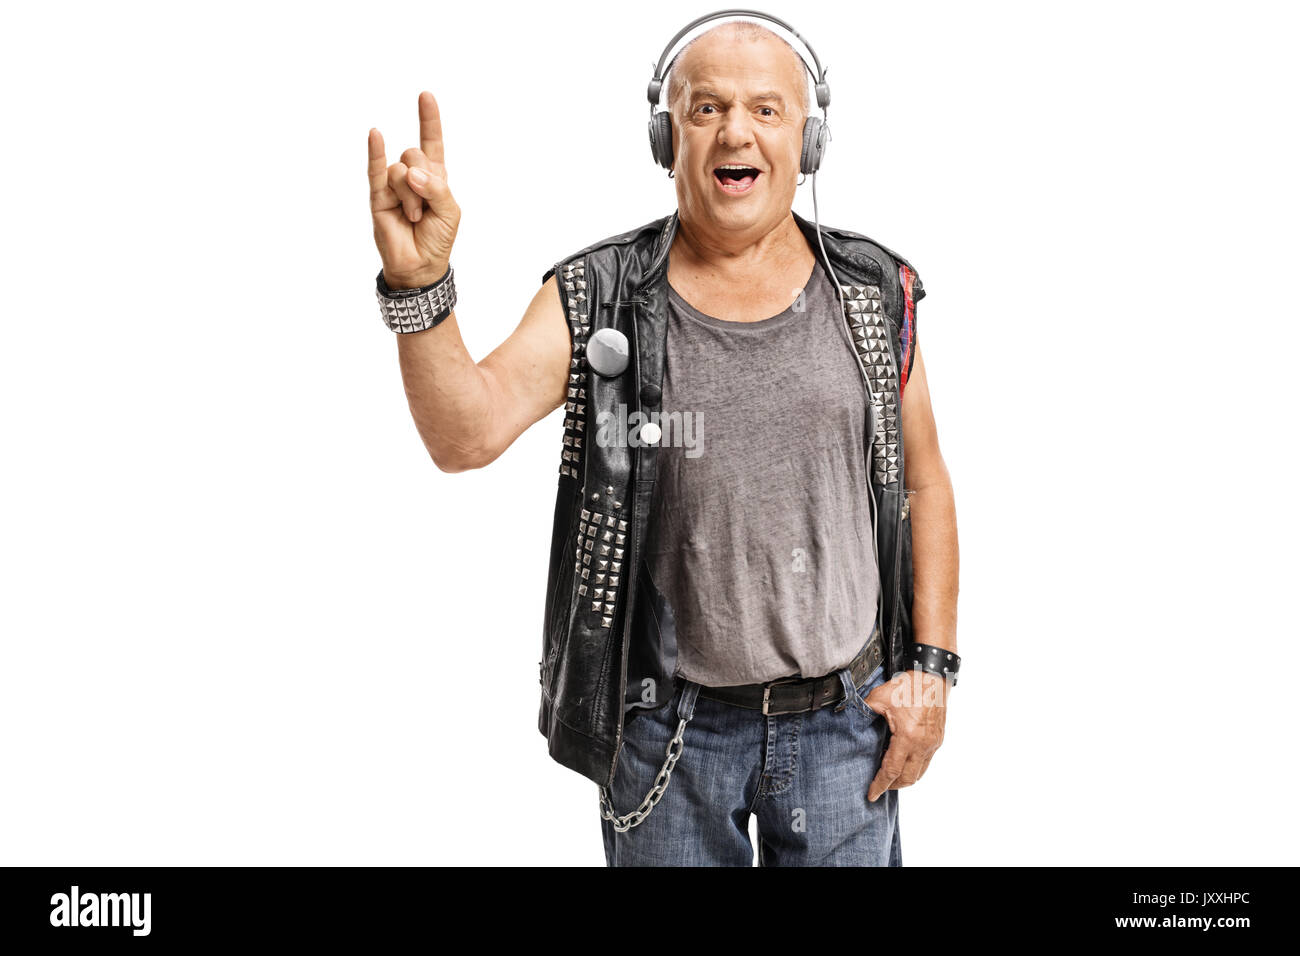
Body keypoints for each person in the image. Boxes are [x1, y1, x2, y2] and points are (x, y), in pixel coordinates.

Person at [365, 12, 959, 866]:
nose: (735, 130)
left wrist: (932, 670)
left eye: (766, 108)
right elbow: (467, 434)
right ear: (665, 136)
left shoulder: (873, 291)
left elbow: (925, 484)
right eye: (706, 108)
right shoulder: (600, 294)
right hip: (667, 739)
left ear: (809, 137)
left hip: (847, 731)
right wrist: (419, 283)